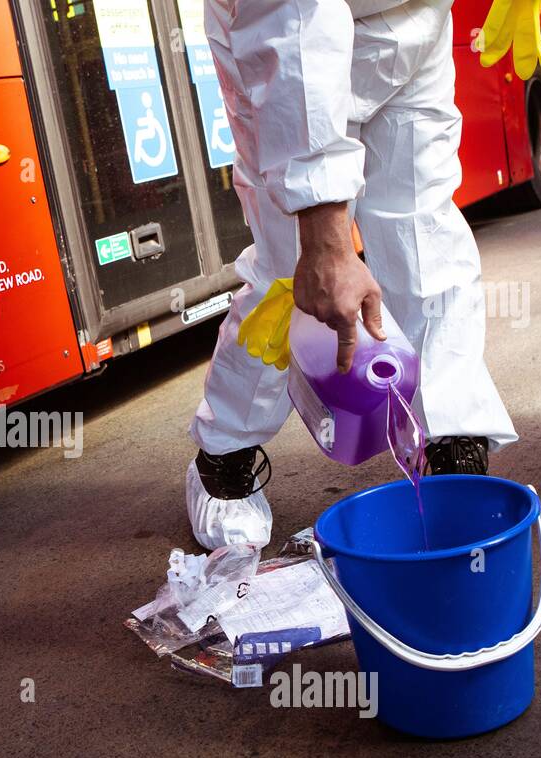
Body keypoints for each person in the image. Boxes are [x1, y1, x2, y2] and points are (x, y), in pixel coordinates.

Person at [187, 0, 518, 550]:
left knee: (427, 240)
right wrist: (323, 237)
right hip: (287, 38)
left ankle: (451, 441)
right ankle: (223, 454)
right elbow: (289, 21)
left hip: (417, 23)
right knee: (290, 279)